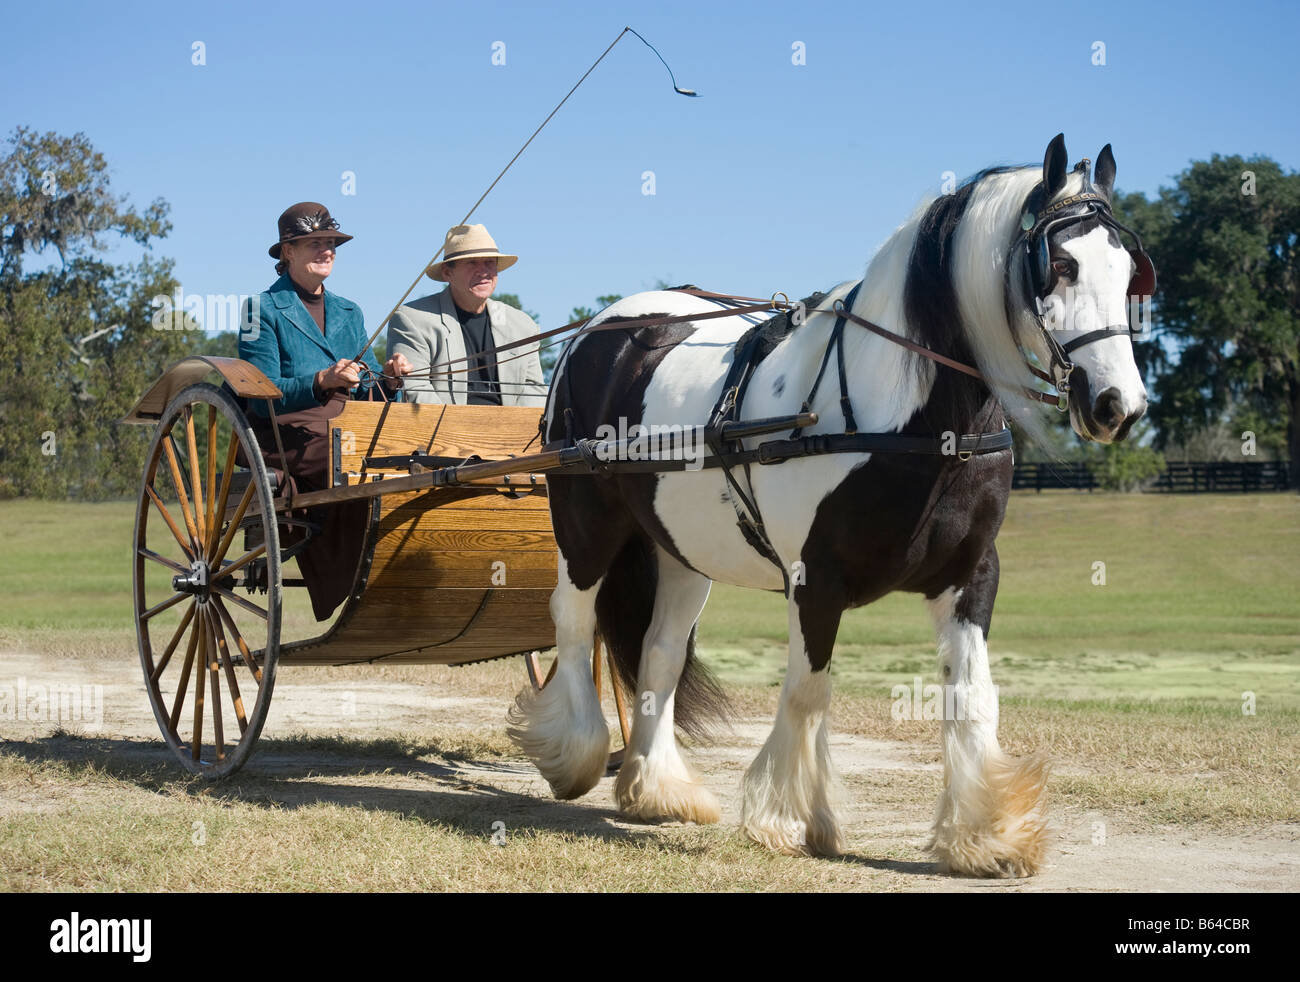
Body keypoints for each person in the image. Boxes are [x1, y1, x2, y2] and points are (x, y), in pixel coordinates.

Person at [238, 201, 411, 620]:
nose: (327, 250)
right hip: (285, 431)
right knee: (346, 457)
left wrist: (387, 381)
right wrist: (321, 381)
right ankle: (348, 581)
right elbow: (260, 394)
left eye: (331, 243)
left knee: (410, 455)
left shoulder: (350, 311)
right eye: (315, 243)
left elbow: (364, 386)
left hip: (346, 424)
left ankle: (390, 575)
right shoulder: (258, 310)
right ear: (287, 252)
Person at [386, 224, 547, 406]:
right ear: (448, 273)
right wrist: (460, 432)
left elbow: (534, 393)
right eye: (472, 262)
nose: (484, 271)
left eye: (489, 262)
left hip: (512, 431)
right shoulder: (412, 319)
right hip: (442, 430)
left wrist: (512, 431)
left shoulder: (523, 325)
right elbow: (415, 388)